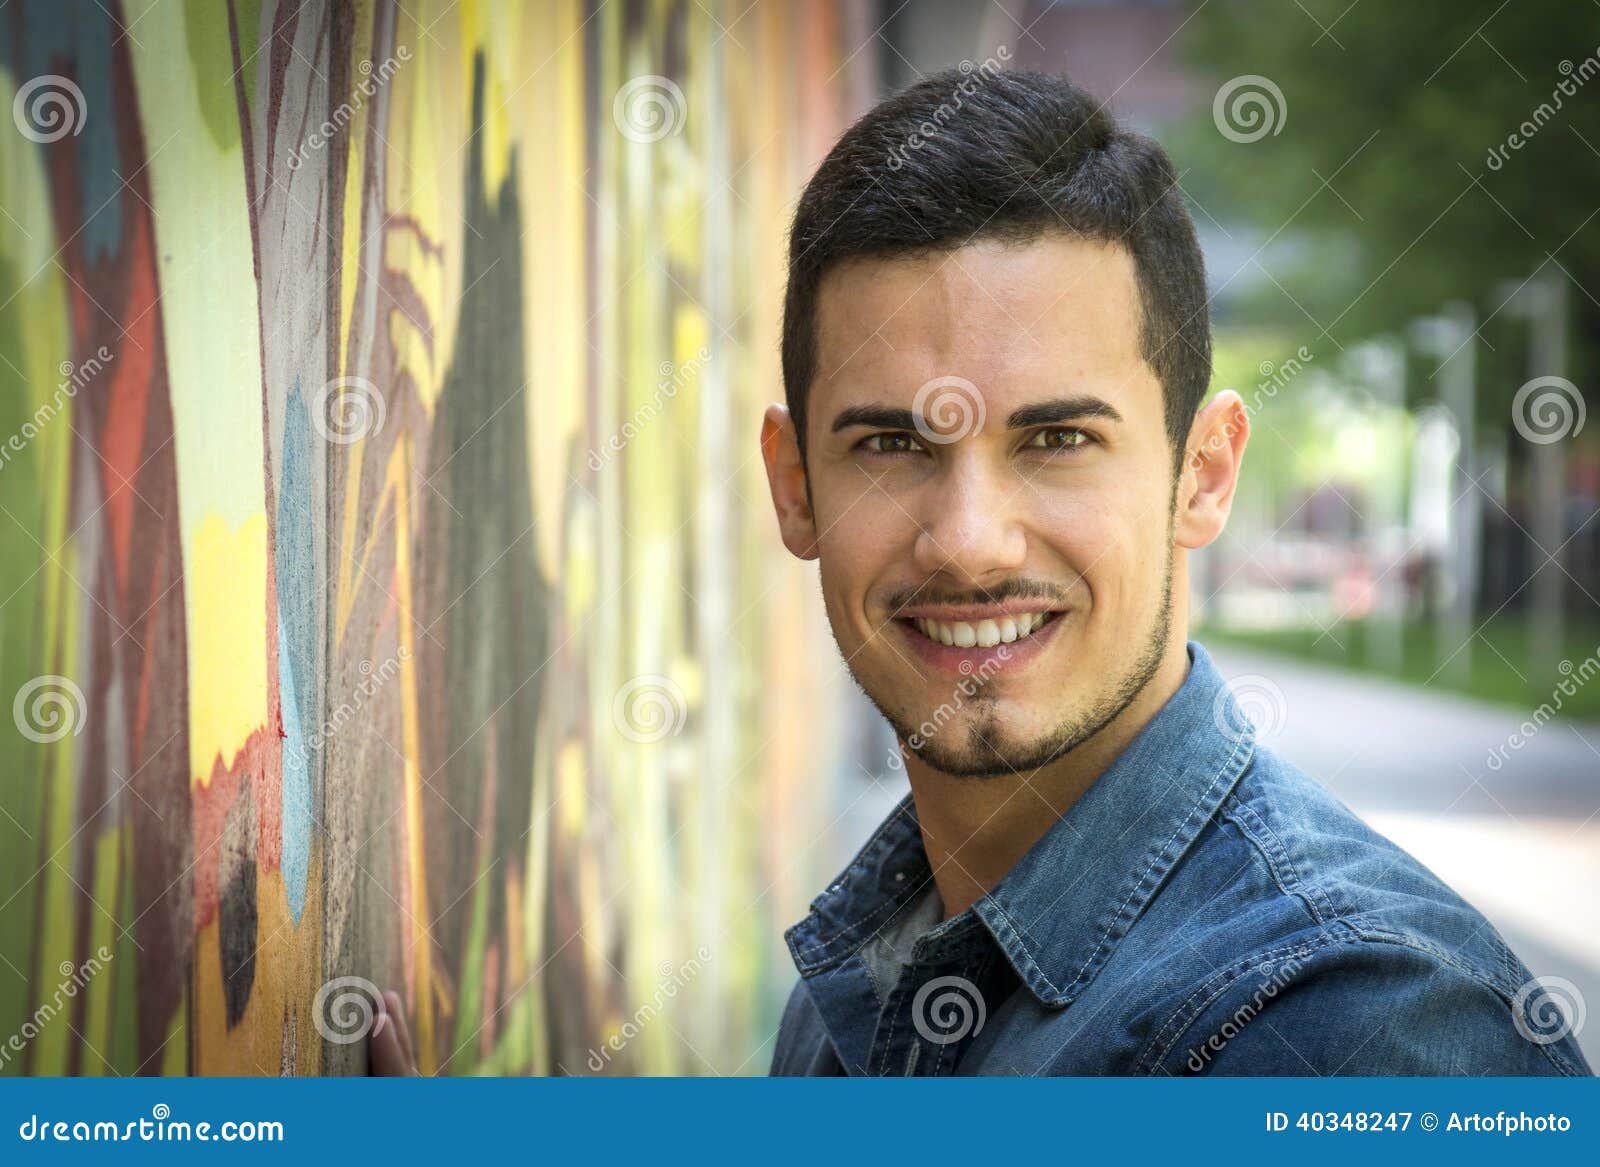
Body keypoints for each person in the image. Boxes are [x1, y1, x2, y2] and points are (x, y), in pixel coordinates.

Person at [755, 67, 1590, 1076]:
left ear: (1202, 474)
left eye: (1055, 439)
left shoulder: (1354, 1029)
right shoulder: (857, 969)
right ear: (796, 488)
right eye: (890, 446)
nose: (969, 542)